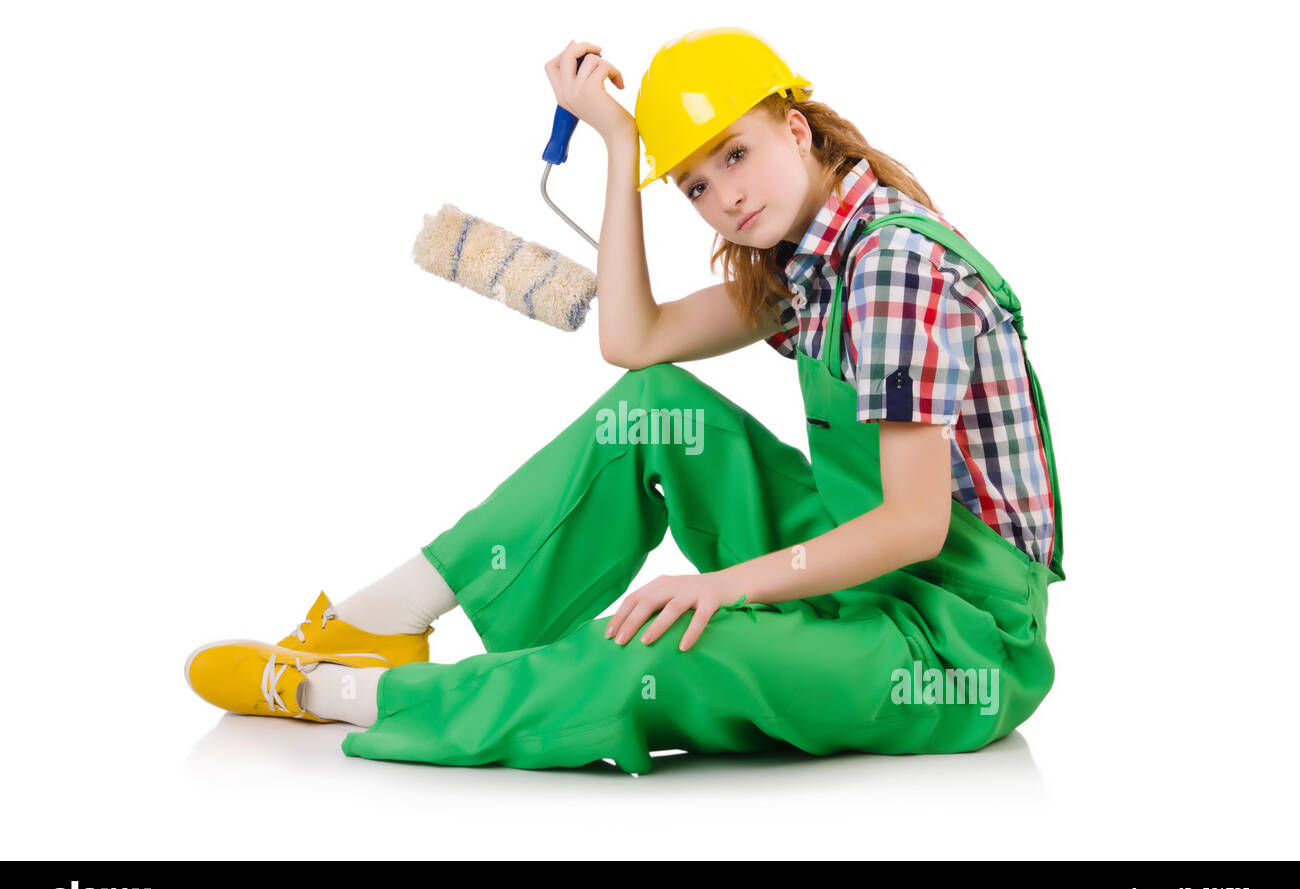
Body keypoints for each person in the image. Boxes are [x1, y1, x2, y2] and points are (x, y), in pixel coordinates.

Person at [183, 27, 1065, 776]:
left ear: (795, 130)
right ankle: (374, 623)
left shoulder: (891, 266)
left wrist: (724, 587)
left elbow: (915, 526)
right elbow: (633, 343)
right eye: (695, 186)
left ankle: (341, 692)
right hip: (864, 571)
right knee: (652, 407)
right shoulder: (809, 264)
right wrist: (617, 144)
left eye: (736, 154)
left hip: (954, 641)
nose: (726, 198)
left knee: (673, 641)